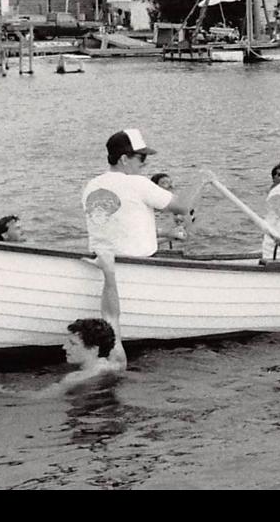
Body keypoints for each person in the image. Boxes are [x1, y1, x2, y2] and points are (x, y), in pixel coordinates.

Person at [81, 129, 199, 258]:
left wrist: (168, 233)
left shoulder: (91, 186)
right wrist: (200, 180)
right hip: (139, 263)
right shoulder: (138, 183)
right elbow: (183, 207)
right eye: (141, 158)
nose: (144, 164)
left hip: (102, 259)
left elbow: (125, 229)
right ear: (124, 159)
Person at [56, 250, 128, 393]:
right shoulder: (117, 363)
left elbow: (36, 399)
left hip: (84, 412)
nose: (64, 347)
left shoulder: (74, 379)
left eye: (72, 343)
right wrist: (108, 271)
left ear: (94, 349)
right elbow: (111, 314)